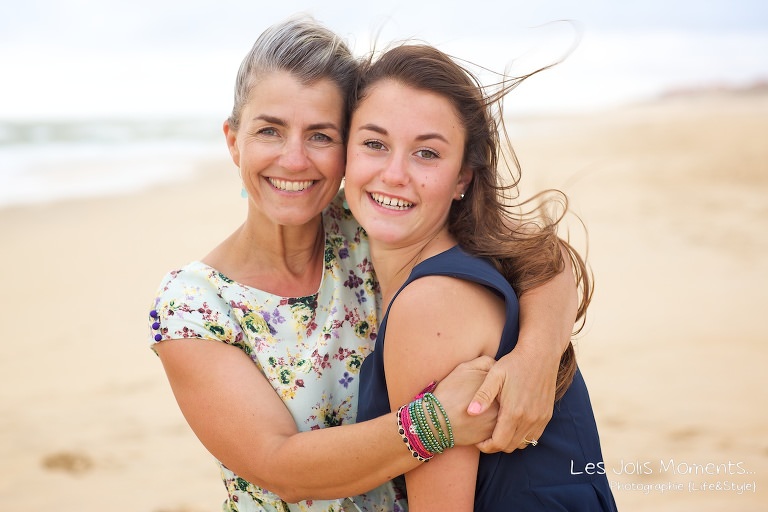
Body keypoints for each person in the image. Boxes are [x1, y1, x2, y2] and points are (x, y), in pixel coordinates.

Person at [148, 16, 581, 511]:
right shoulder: (195, 306)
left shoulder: (372, 225)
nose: (293, 160)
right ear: (233, 141)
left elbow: (540, 259)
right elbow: (278, 466)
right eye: (270, 130)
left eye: (321, 136)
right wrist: (437, 422)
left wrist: (536, 360)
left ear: (347, 149)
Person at [348, 44, 618, 510]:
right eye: (375, 144)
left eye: (427, 153)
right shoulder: (481, 257)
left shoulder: (432, 303)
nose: (394, 174)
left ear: (462, 179)